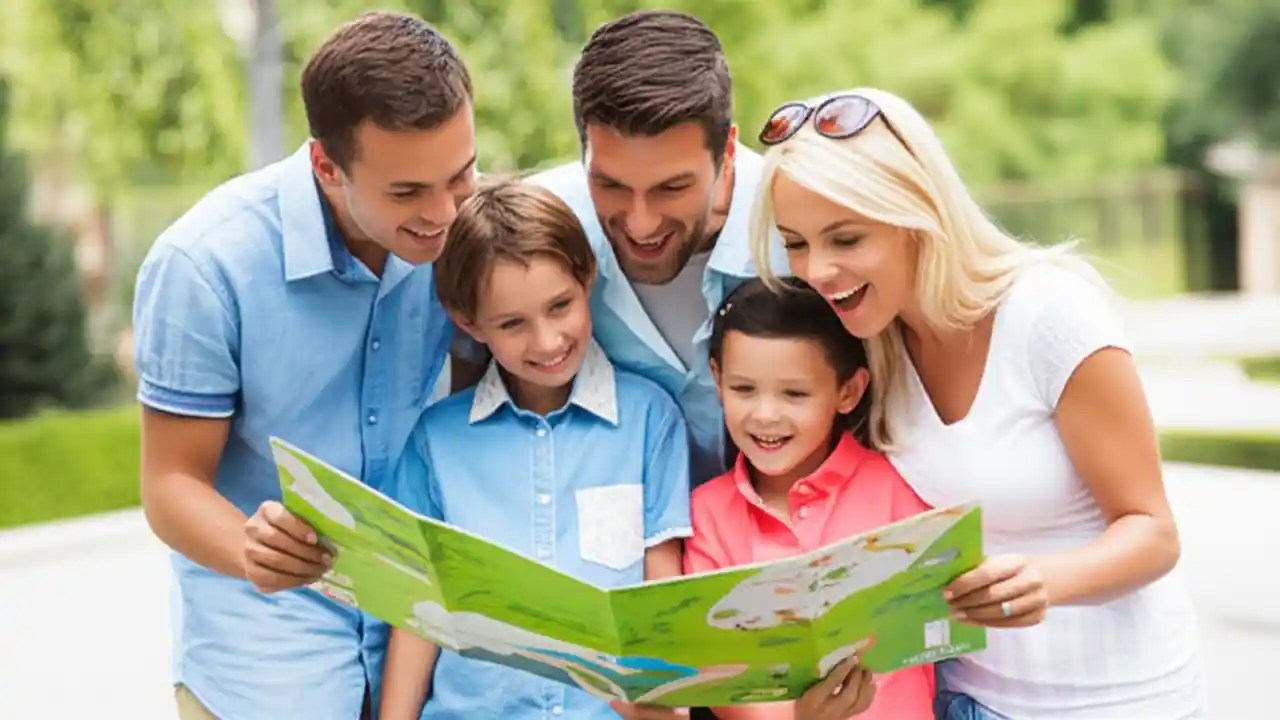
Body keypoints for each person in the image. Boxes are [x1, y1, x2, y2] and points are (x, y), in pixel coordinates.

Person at [748, 87, 1206, 718]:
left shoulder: (1049, 315)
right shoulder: (871, 344)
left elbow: (1154, 534)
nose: (818, 270)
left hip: (1120, 699)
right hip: (966, 700)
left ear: (918, 213)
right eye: (796, 243)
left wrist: (1044, 582)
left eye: (846, 239)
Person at [131, 12, 477, 719]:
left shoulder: (469, 233)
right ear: (327, 166)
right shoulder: (204, 265)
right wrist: (251, 547)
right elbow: (170, 483)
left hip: (426, 646)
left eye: (461, 174)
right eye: (407, 193)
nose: (443, 214)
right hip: (265, 654)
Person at [380, 178, 693, 720]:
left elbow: (661, 594)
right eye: (513, 324)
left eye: (560, 306)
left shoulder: (650, 419)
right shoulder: (437, 441)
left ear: (587, 278)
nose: (546, 341)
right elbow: (415, 608)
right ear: (469, 323)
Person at [529, 10, 789, 487]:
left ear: (726, 154)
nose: (640, 222)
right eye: (610, 185)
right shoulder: (536, 230)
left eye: (672, 188)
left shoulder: (800, 230)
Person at [684, 277, 935, 720]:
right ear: (716, 379)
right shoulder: (708, 513)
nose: (765, 414)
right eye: (744, 389)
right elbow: (721, 682)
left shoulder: (900, 486)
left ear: (848, 392)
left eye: (794, 394)